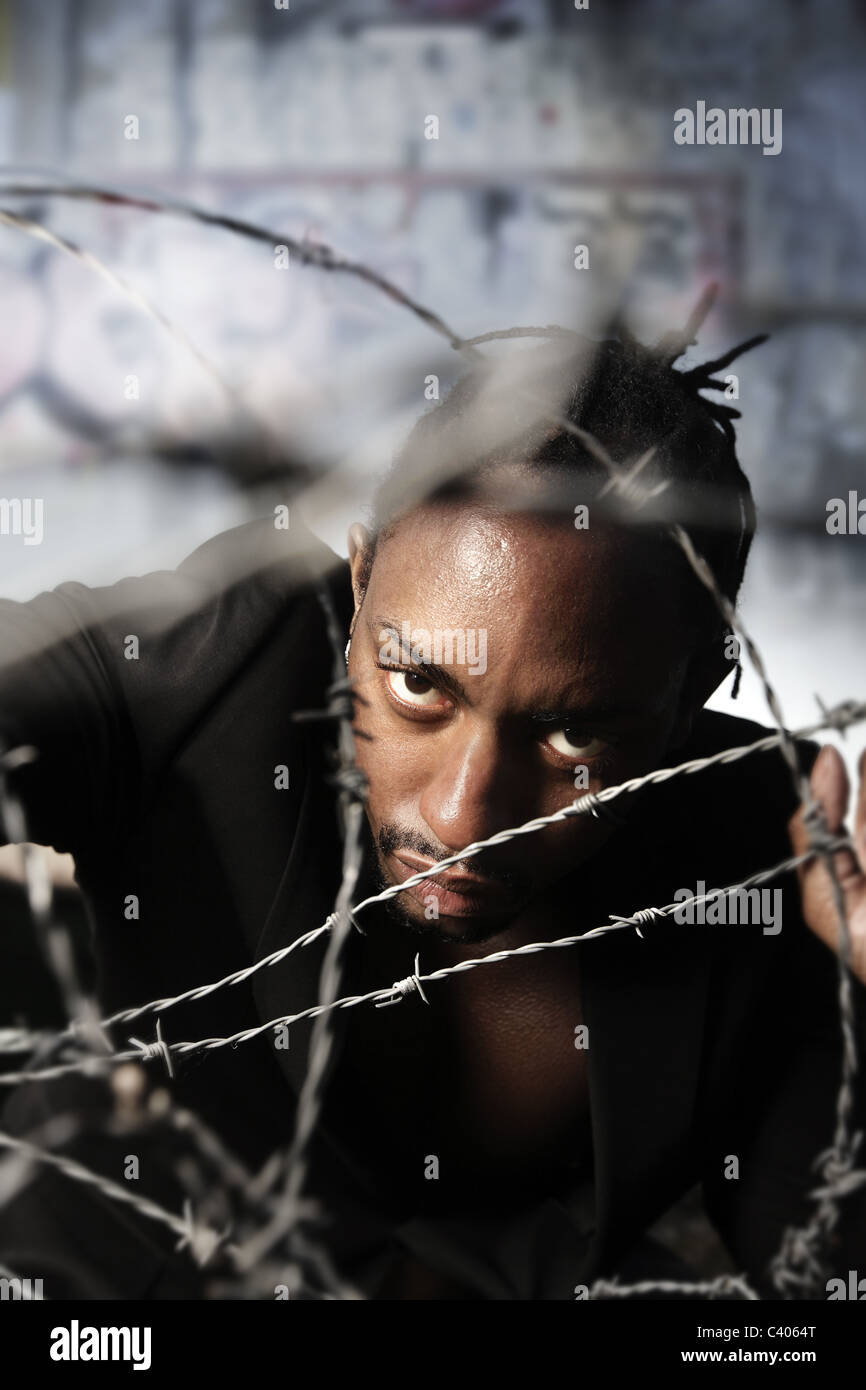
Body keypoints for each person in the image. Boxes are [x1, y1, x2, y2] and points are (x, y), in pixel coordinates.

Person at [0, 314, 864, 1300]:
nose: (459, 817)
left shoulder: (774, 849)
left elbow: (822, 1275)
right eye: (418, 683)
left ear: (695, 689)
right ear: (362, 577)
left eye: (572, 733)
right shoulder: (207, 673)